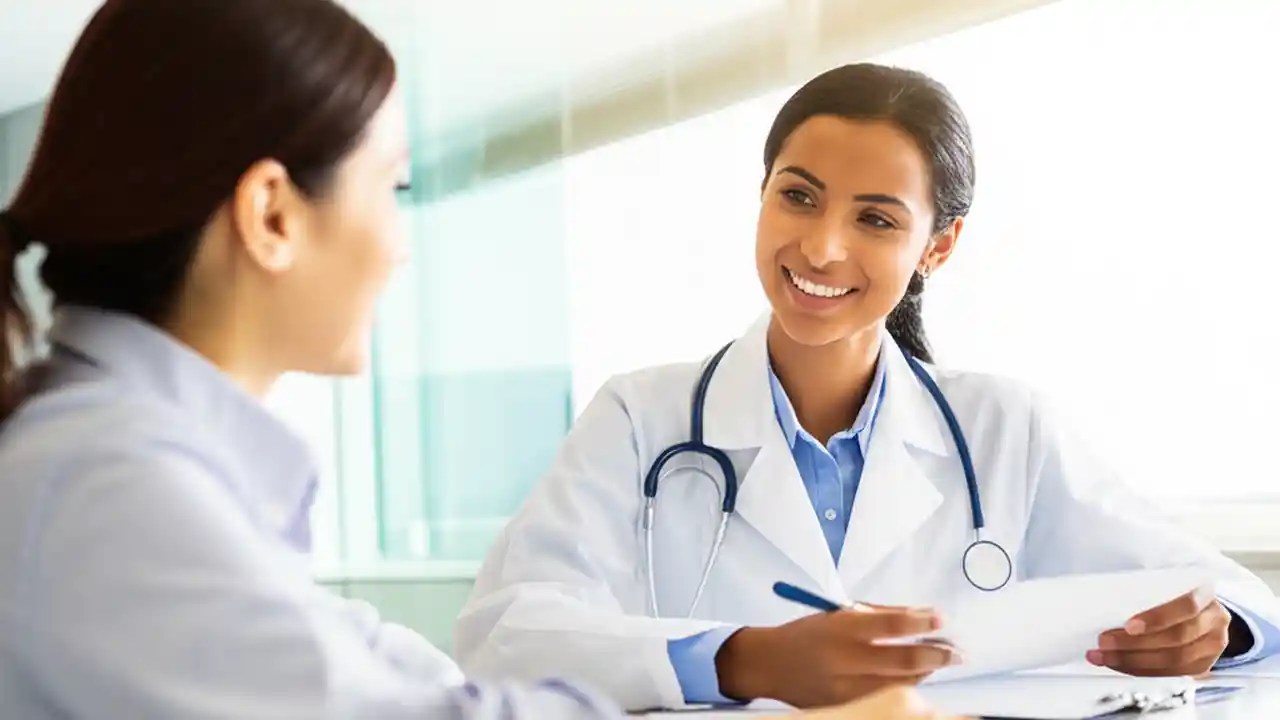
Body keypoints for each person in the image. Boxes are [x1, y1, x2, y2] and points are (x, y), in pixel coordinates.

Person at [0, 2, 962, 719]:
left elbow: (393, 676)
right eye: (394, 186)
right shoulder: (105, 484)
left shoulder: (124, 464)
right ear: (272, 216)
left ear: (935, 245)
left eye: (877, 218)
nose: (402, 244)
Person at [455, 62, 1280, 712]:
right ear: (764, 193)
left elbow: (1234, 600)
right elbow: (507, 635)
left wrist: (1217, 629)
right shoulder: (641, 418)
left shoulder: (1005, 426)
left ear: (938, 247)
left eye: (876, 219)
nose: (820, 249)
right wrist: (745, 659)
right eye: (799, 197)